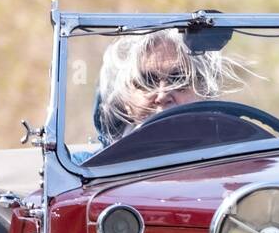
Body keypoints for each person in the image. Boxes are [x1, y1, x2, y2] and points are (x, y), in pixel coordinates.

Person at [91, 29, 252, 147]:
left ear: (205, 92)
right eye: (146, 82)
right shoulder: (89, 174)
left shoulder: (235, 159)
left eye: (180, 80)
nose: (162, 96)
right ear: (124, 99)